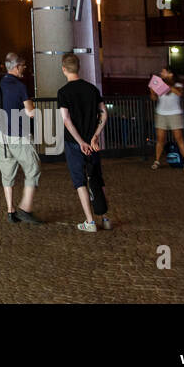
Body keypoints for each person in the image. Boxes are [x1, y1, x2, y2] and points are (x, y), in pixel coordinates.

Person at [56, 53, 111, 233]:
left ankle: (90, 221)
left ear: (64, 69)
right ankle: (105, 217)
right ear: (78, 68)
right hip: (92, 142)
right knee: (97, 177)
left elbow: (66, 120)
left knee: (80, 180)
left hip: (74, 143)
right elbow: (103, 113)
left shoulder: (63, 92)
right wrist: (95, 136)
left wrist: (80, 141)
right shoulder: (92, 89)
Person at [0, 52, 41, 224]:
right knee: (33, 169)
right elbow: (30, 113)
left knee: (7, 175)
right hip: (19, 136)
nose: (24, 69)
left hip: (3, 136)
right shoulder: (20, 86)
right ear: (16, 67)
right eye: (23, 66)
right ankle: (25, 208)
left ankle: (10, 210)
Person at [151, 68, 184, 171]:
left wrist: (168, 86)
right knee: (160, 139)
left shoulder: (178, 84)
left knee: (179, 138)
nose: (161, 73)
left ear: (170, 74)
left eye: (163, 71)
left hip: (175, 113)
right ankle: (157, 160)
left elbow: (179, 93)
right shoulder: (160, 84)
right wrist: (152, 92)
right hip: (161, 113)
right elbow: (154, 98)